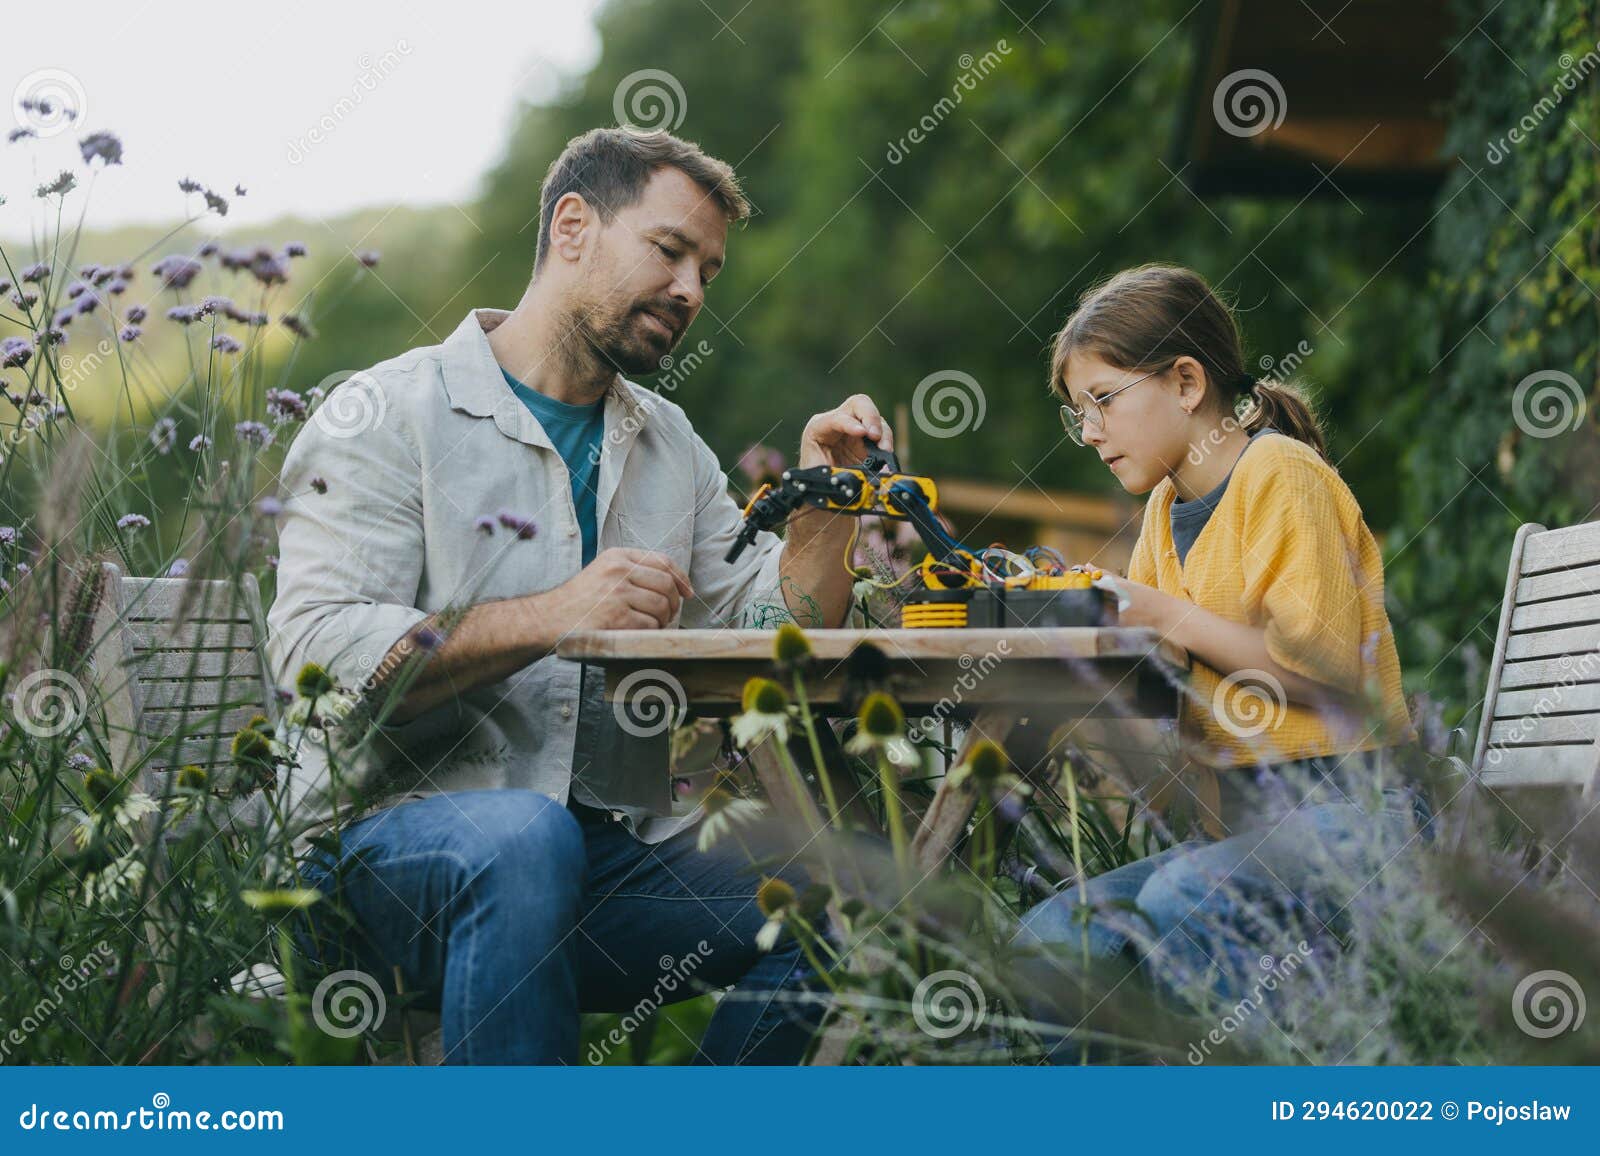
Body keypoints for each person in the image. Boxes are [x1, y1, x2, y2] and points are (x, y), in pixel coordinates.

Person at [267, 126, 895, 1064]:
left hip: (591, 866)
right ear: (571, 227)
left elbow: (768, 633)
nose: (691, 290)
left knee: (837, 898)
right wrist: (557, 612)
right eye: (670, 251)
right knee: (526, 841)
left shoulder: (668, 443)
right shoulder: (388, 414)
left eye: (708, 273)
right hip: (371, 864)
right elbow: (318, 658)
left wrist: (824, 508)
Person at [1014, 264, 1426, 1044]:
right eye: (1079, 414)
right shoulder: (1166, 511)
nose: (1092, 432)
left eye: (1102, 400)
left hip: (1363, 814)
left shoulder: (1280, 474)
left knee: (1184, 899)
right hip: (1244, 832)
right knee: (1053, 935)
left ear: (1186, 382)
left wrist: (1162, 616)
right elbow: (1161, 689)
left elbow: (1325, 672)